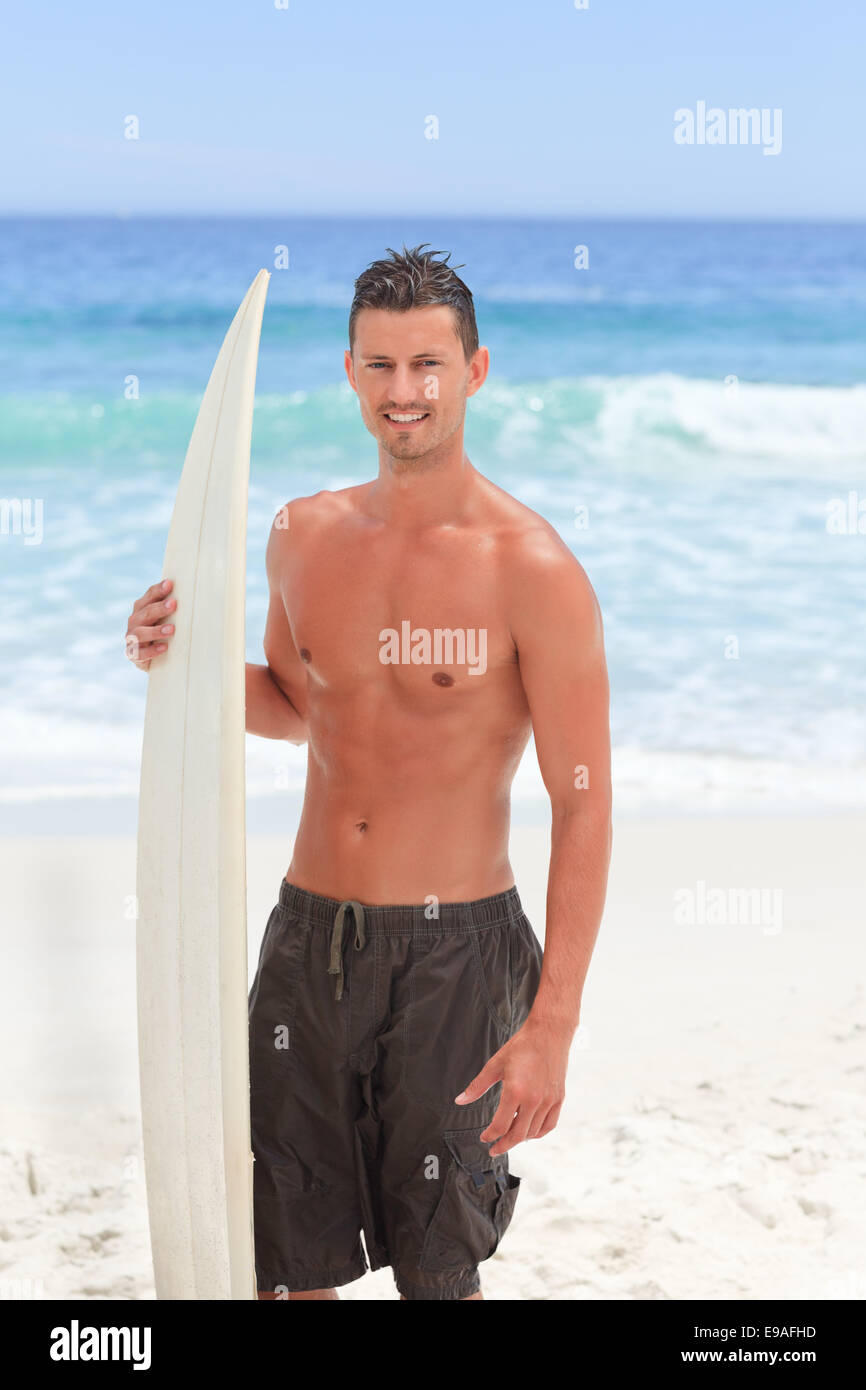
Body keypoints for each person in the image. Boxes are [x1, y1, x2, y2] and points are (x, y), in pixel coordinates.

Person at [126, 244, 612, 1301]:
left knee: (438, 1271)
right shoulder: (301, 535)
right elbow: (298, 709)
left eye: (428, 364)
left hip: (454, 955)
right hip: (307, 942)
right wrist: (179, 657)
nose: (406, 392)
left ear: (474, 371)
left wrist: (553, 1022)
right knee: (282, 1260)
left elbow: (581, 804)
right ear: (350, 371)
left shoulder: (531, 567)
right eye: (382, 366)